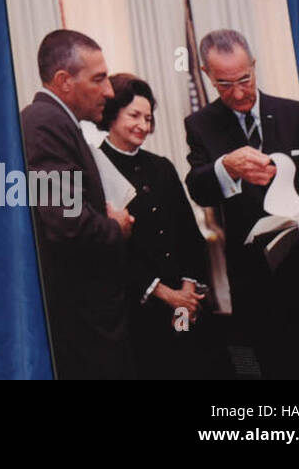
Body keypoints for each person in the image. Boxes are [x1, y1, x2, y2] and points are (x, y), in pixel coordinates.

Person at [183, 29, 299, 379]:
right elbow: (198, 187)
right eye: (225, 84)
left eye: (245, 78)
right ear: (206, 75)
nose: (239, 92)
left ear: (254, 65)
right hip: (257, 279)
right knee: (280, 369)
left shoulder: (295, 114)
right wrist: (224, 167)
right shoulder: (201, 125)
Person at [19, 29, 134, 379]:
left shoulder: (56, 124)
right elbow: (67, 223)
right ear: (63, 81)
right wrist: (116, 227)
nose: (109, 91)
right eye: (98, 79)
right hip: (81, 325)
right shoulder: (44, 125)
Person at [96, 74, 225, 378]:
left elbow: (189, 236)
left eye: (148, 117)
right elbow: (109, 250)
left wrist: (186, 296)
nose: (143, 125)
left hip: (183, 307)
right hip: (138, 312)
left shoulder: (162, 167)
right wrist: (166, 294)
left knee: (192, 365)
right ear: (112, 115)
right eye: (134, 116)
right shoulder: (96, 168)